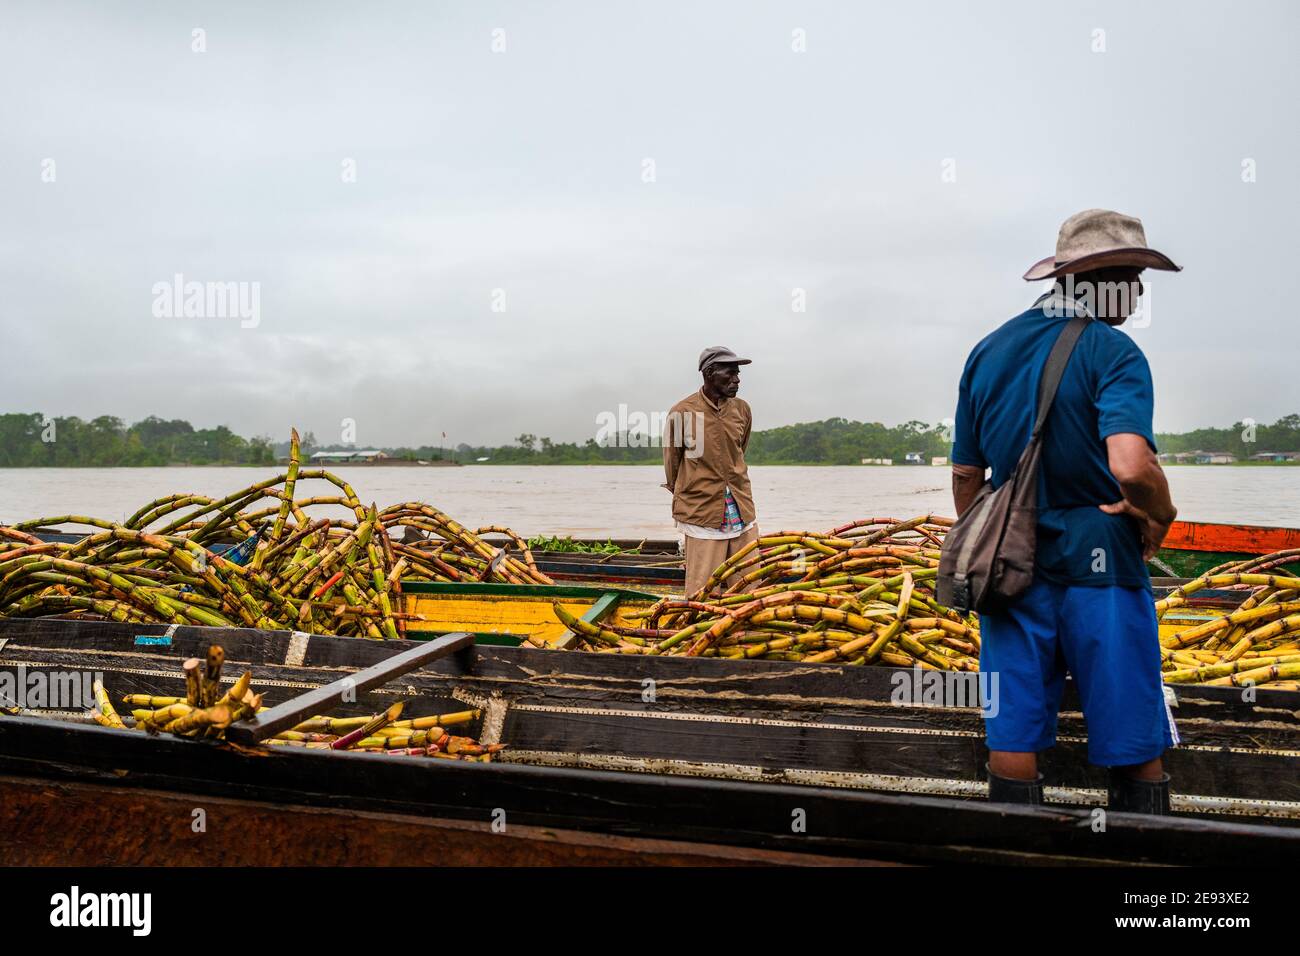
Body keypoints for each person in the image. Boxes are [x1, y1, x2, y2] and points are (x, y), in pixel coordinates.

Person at [950, 209, 1182, 814]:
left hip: (1011, 566)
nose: (1137, 296)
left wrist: (993, 536)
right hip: (1100, 558)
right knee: (1130, 715)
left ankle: (1018, 848)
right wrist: (1159, 511)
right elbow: (1130, 464)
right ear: (1114, 279)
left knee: (1014, 721)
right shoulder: (1115, 352)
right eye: (1135, 281)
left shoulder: (988, 351)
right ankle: (1141, 869)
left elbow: (966, 475)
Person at [663, 347, 760, 597]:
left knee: (749, 584)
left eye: (738, 374)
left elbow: (738, 451)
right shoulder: (682, 413)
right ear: (709, 374)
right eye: (730, 374)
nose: (737, 380)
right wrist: (692, 492)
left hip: (740, 506)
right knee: (704, 588)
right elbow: (672, 465)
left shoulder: (742, 409)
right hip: (702, 510)